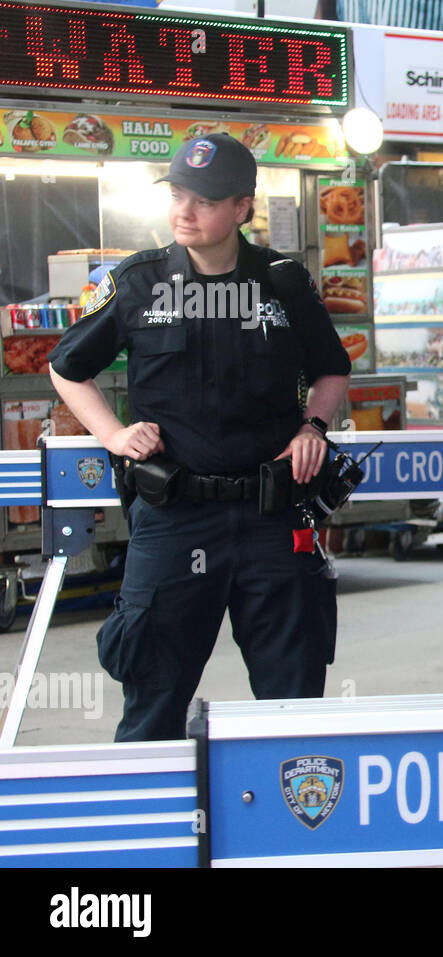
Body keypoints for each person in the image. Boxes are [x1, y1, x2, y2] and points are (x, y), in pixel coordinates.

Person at [49, 134, 352, 742]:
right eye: (178, 196)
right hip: (176, 517)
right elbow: (66, 366)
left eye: (204, 201)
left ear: (242, 207)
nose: (184, 212)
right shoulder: (138, 283)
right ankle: (147, 829)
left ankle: (282, 830)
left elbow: (331, 367)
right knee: (153, 700)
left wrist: (313, 426)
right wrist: (112, 434)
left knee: (294, 703)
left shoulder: (283, 284)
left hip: (273, 516)